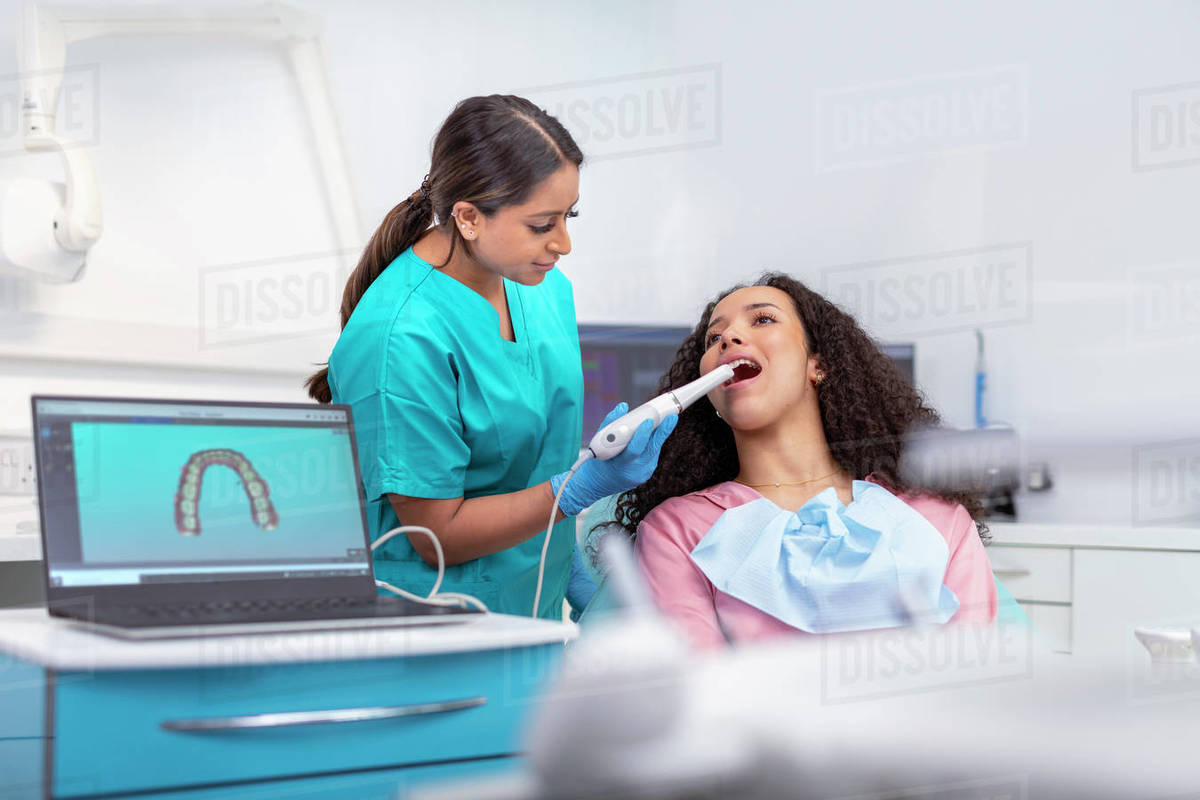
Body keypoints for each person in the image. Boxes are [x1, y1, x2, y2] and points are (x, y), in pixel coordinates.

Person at [306, 95, 674, 619]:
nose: (564, 243)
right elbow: (437, 537)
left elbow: (531, 465)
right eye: (543, 224)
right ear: (469, 217)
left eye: (569, 216)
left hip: (536, 610)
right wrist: (574, 491)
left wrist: (560, 560)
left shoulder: (544, 289)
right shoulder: (400, 338)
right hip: (435, 626)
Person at [613, 273, 999, 648]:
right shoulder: (676, 530)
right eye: (714, 338)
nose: (727, 338)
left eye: (763, 319)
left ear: (818, 365)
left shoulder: (938, 518)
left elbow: (973, 682)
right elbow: (698, 693)